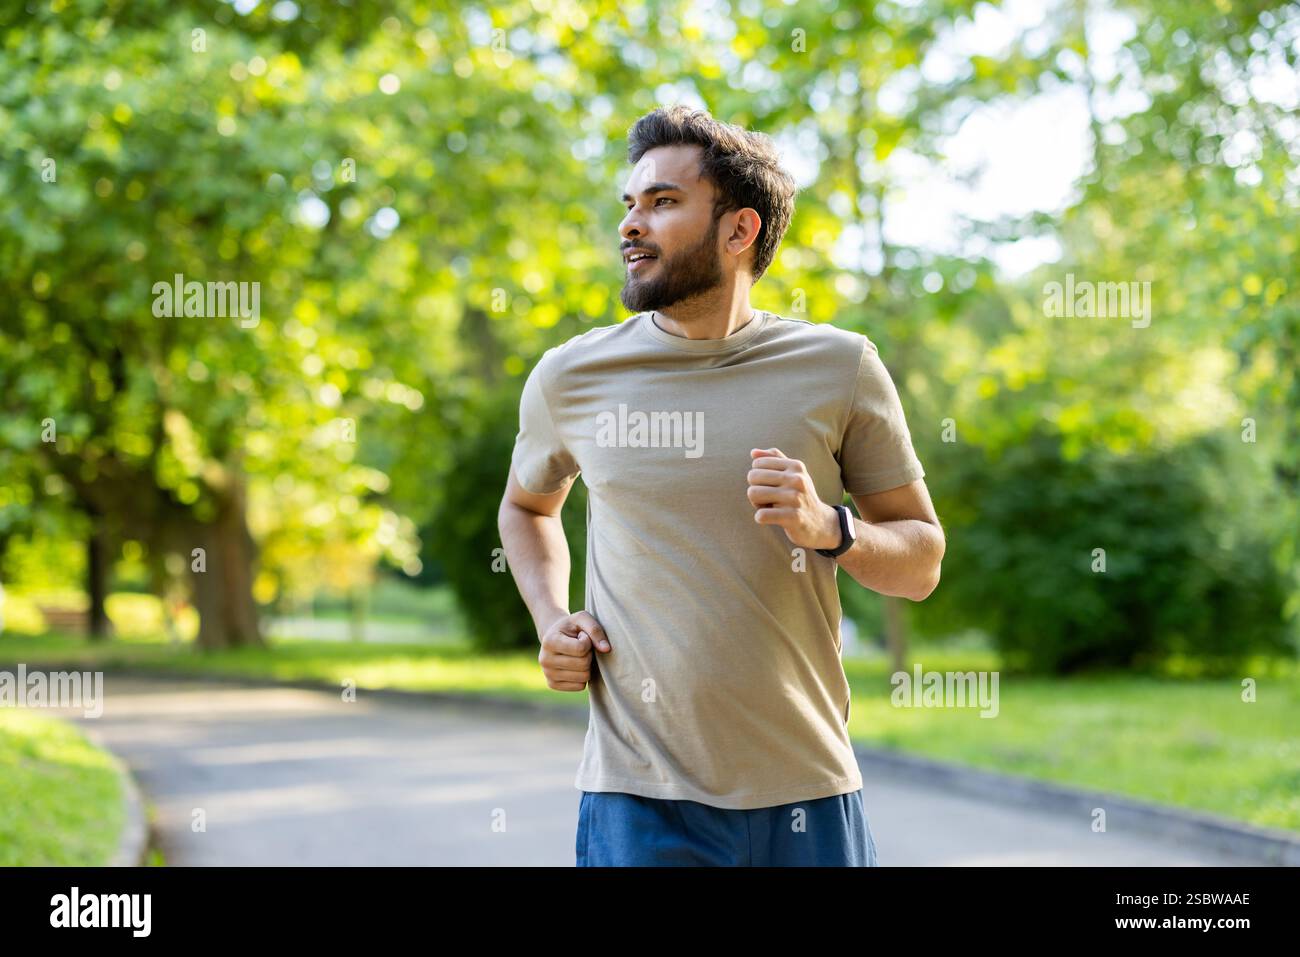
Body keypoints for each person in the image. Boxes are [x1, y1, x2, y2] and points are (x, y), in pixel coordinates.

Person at [498, 106, 945, 866]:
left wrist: (829, 527)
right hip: (639, 799)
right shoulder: (571, 375)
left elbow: (922, 559)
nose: (631, 225)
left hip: (808, 792)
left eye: (663, 202)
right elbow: (526, 505)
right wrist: (550, 616)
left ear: (740, 231)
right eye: (630, 204)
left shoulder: (840, 366)